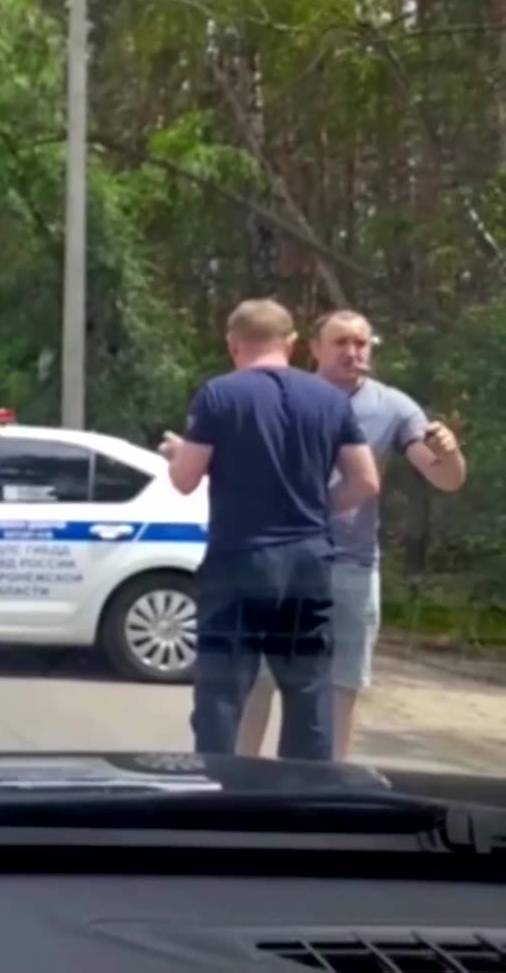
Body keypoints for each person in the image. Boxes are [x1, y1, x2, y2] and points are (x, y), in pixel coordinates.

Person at [235, 310, 466, 760]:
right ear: (315, 349)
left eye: (361, 343)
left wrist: (450, 454)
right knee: (258, 678)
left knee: (342, 684)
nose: (352, 352)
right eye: (340, 342)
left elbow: (444, 478)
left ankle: (328, 787)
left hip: (352, 565)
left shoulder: (393, 408)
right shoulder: (281, 395)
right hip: (279, 559)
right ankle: (237, 778)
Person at [159, 298, 378, 761]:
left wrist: (179, 452)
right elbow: (366, 481)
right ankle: (304, 795)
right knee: (308, 686)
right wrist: (319, 510)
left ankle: (218, 789)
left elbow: (184, 480)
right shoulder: (330, 399)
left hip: (239, 559)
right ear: (293, 343)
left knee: (223, 689)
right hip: (308, 560)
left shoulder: (219, 394)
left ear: (233, 344)